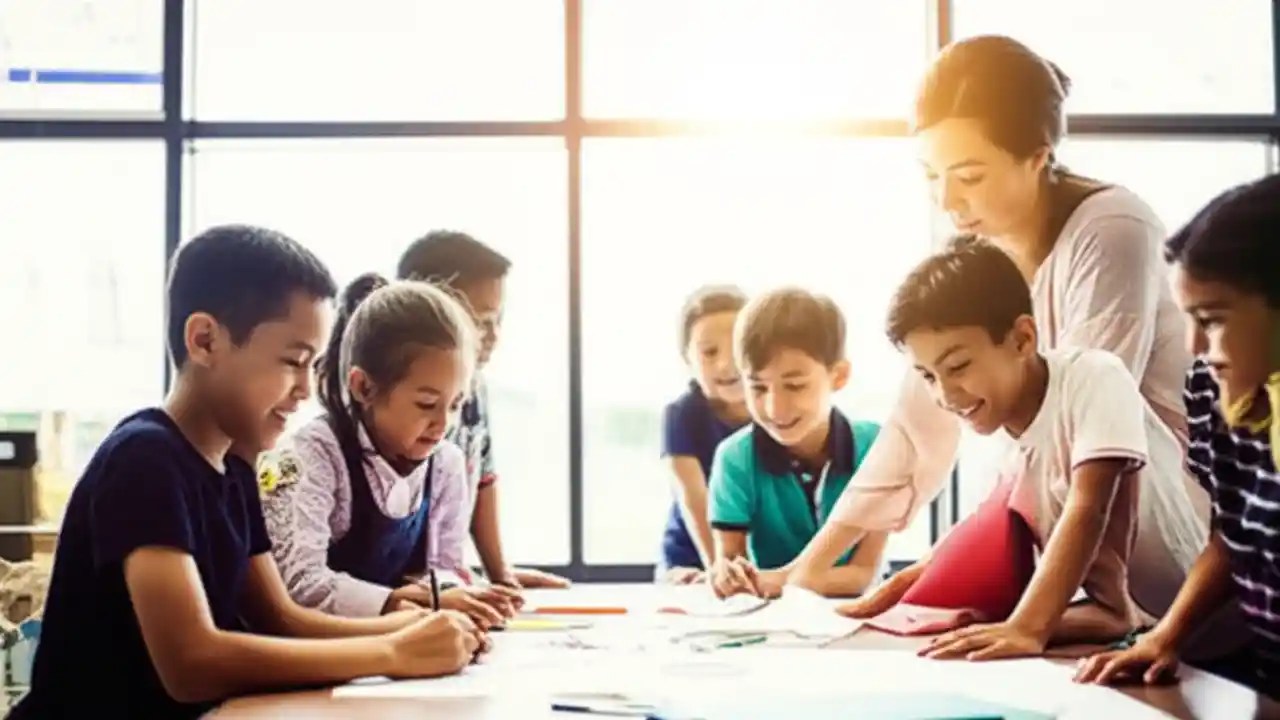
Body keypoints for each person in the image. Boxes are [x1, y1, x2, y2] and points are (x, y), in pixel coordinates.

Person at [784, 35, 1211, 627]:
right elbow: (916, 423)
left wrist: (1021, 618)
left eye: (970, 176)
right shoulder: (979, 250)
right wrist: (802, 572)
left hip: (1153, 508)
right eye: (931, 176)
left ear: (1038, 156)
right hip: (1048, 500)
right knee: (931, 599)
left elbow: (1083, 425)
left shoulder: (1113, 228)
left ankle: (1102, 611)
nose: (948, 201)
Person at [12, 226, 487, 719]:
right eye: (293, 361)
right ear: (204, 340)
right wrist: (391, 653)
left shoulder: (235, 470)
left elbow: (281, 619)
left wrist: (409, 630)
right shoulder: (145, 459)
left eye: (314, 365)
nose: (306, 390)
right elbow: (191, 663)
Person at [842, 238, 1205, 659]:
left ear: (1022, 338)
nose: (945, 394)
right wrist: (883, 599)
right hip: (1135, 628)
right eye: (927, 376)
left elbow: (1089, 510)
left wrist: (1027, 628)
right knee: (962, 624)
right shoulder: (1007, 441)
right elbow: (972, 537)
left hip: (1202, 634)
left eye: (958, 366)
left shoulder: (1094, 376)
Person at [1075, 175, 1280, 697]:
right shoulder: (1211, 387)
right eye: (1187, 319)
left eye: (1211, 320)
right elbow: (1232, 532)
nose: (1195, 346)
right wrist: (1167, 635)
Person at [258, 273, 521, 629]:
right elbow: (301, 585)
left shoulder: (446, 463)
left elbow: (446, 566)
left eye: (456, 404)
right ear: (363, 387)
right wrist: (406, 602)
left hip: (398, 649)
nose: (443, 424)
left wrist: (457, 594)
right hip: (323, 652)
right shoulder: (311, 455)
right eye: (426, 404)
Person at [397, 230, 570, 590]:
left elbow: (484, 477)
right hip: (394, 586)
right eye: (480, 321)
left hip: (442, 579)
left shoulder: (474, 388)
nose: (493, 335)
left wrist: (500, 575)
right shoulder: (393, 396)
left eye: (498, 320)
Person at [708, 289, 888, 599]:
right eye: (758, 387)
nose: (775, 408)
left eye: (794, 385)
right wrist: (726, 575)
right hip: (770, 620)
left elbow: (861, 575)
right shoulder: (734, 459)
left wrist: (771, 582)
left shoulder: (876, 447)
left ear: (839, 376)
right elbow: (732, 568)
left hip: (853, 611)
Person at [658, 285, 751, 584]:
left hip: (761, 561)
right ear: (687, 360)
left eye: (739, 349)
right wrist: (718, 568)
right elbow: (694, 498)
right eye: (709, 352)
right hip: (693, 558)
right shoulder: (682, 415)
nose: (727, 364)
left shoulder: (781, 415)